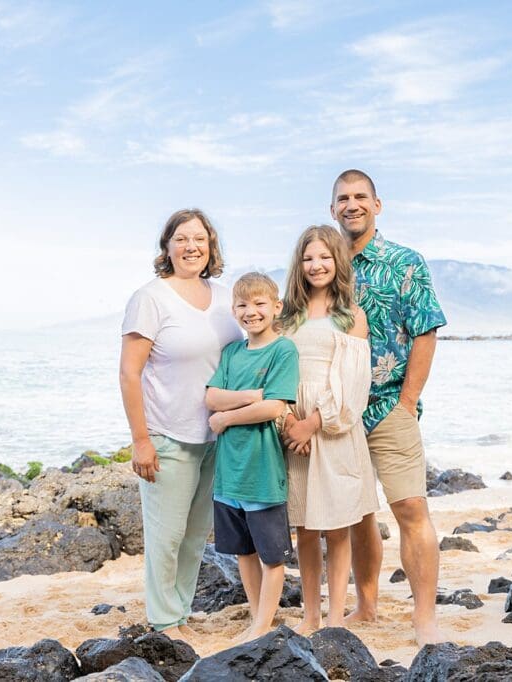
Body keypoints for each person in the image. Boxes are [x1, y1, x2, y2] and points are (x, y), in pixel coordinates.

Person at [330, 169, 448, 646]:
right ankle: (367, 605)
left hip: (389, 407)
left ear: (378, 205)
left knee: (410, 507)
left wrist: (407, 402)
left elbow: (426, 330)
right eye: (343, 198)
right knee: (357, 515)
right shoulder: (323, 265)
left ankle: (424, 617)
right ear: (332, 208)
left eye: (361, 197)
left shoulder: (405, 263)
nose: (351, 204)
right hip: (339, 413)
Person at [119, 208, 242, 642]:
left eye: (200, 239)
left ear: (211, 247)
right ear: (166, 247)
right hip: (167, 434)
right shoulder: (151, 298)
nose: (192, 247)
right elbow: (129, 373)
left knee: (194, 538)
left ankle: (181, 614)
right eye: (182, 239)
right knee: (166, 537)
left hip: (217, 435)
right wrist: (140, 440)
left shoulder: (227, 296)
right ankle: (164, 621)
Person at [277, 226, 379, 634]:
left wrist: (313, 423)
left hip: (331, 426)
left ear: (337, 262)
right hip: (292, 429)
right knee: (305, 526)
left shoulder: (351, 317)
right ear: (298, 265)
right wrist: (287, 420)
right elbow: (272, 368)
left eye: (324, 257)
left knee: (338, 525)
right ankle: (310, 615)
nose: (316, 265)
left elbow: (352, 382)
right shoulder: (286, 314)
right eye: (308, 258)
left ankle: (336, 615)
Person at [205, 272, 299, 643]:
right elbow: (211, 397)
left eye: (260, 304)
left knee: (271, 556)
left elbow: (275, 406)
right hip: (229, 475)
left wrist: (227, 416)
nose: (251, 311)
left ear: (276, 308)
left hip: (261, 472)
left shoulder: (283, 350)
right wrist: (250, 396)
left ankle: (263, 623)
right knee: (243, 551)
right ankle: (257, 615)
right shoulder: (232, 353)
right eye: (242, 305)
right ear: (234, 311)